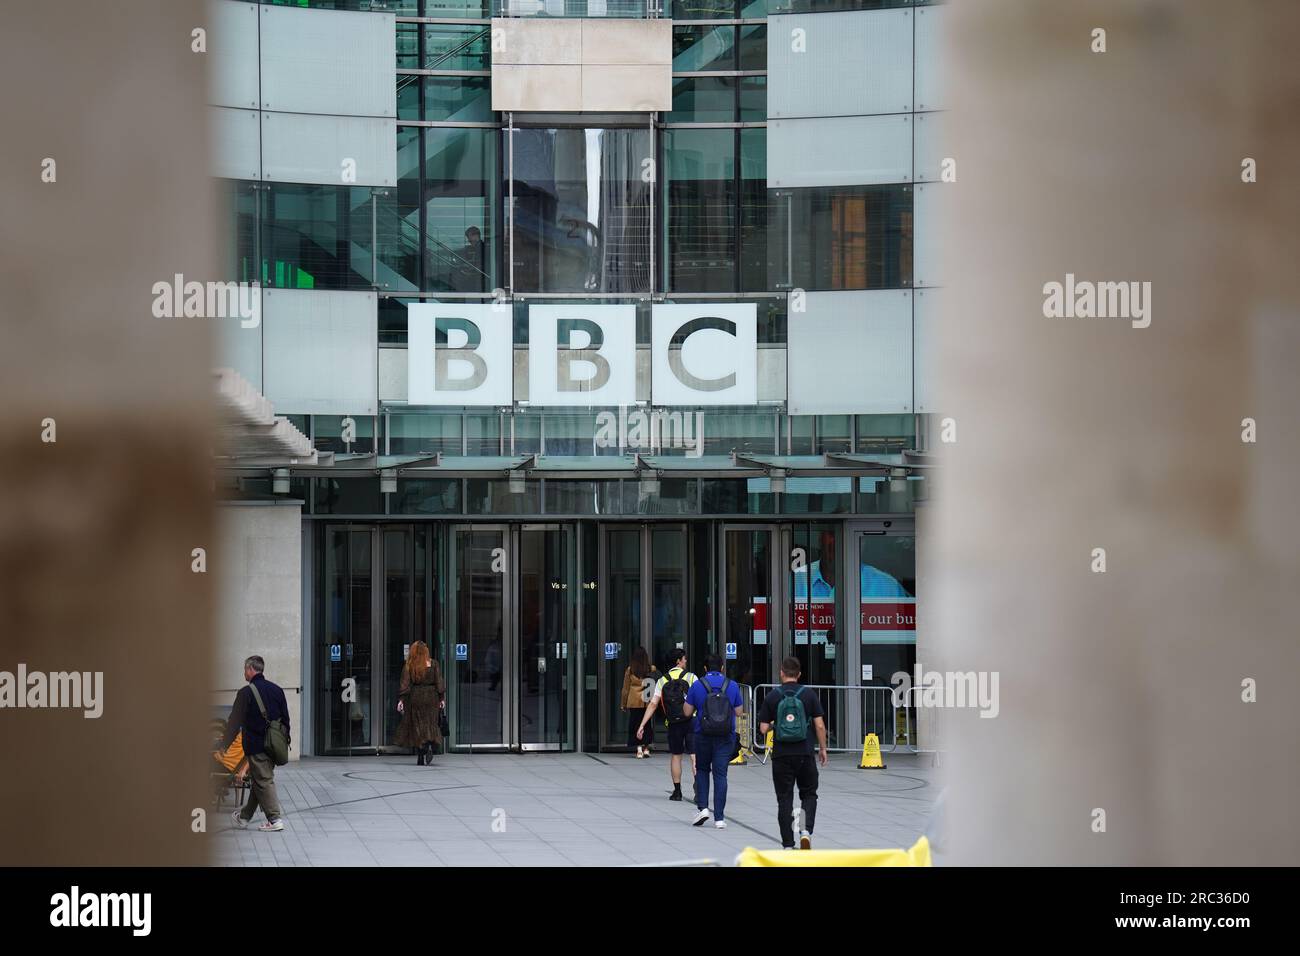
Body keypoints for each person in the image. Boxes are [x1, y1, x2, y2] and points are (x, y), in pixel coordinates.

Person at [757, 656, 828, 850]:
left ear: (781, 672)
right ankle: (805, 831)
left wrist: (776, 724)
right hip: (805, 753)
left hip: (781, 755)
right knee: (809, 794)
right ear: (799, 674)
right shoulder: (809, 694)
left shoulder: (773, 696)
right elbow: (820, 725)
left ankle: (788, 844)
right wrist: (822, 748)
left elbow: (763, 729)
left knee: (784, 798)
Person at [217, 655, 290, 832]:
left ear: (250, 669)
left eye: (244, 669)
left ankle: (275, 819)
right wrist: (284, 741)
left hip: (256, 745)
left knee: (264, 780)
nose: (244, 673)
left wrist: (224, 746)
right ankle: (244, 817)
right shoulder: (277, 690)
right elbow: (286, 719)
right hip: (274, 744)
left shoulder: (245, 693)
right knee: (259, 780)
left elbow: (233, 722)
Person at [683, 653, 745, 829]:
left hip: (703, 735)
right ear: (722, 668)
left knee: (702, 770)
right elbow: (740, 712)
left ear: (705, 668)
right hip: (726, 737)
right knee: (721, 775)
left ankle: (702, 808)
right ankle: (719, 818)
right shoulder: (731, 686)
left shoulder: (697, 685)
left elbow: (687, 712)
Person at [635, 648, 697, 800]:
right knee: (695, 756)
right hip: (691, 721)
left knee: (676, 756)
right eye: (684, 659)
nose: (686, 661)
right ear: (678, 661)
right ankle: (699, 789)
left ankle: (677, 791)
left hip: (674, 723)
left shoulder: (662, 680)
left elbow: (653, 704)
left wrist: (642, 725)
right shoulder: (691, 677)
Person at [395, 640, 446, 766]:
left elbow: (404, 684)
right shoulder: (434, 664)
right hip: (431, 697)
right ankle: (429, 746)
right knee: (430, 723)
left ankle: (420, 754)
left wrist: (401, 700)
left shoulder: (410, 665)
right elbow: (439, 683)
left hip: (416, 697)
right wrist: (442, 698)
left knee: (418, 725)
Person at [621, 646, 657, 757]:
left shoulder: (630, 669)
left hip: (634, 701)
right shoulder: (651, 669)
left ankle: (639, 749)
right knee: (646, 724)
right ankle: (646, 748)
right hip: (647, 699)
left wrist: (623, 703)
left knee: (635, 723)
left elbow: (626, 688)